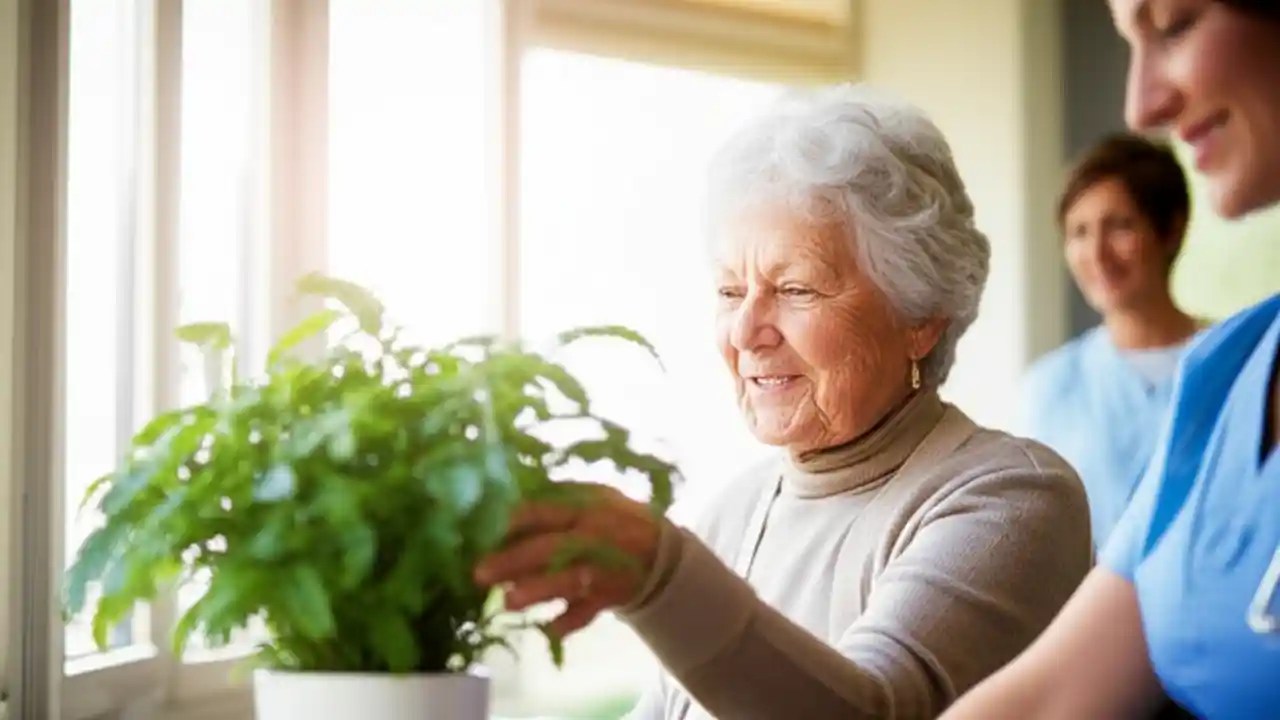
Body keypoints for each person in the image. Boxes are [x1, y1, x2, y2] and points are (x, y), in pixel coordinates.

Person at [474, 85, 1092, 719]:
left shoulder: (1012, 498)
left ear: (921, 317)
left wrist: (659, 575)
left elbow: (879, 710)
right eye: (730, 290)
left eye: (795, 289)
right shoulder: (731, 517)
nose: (746, 332)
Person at [942, 2, 1280, 719]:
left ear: (1168, 231)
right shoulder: (1229, 370)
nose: (1142, 103)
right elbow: (1051, 690)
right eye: (1079, 232)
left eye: (1178, 24)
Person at [1021, 134, 1201, 548]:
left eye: (1119, 226)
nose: (1097, 253)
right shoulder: (1048, 388)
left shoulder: (1238, 366)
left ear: (1171, 229)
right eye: (1079, 232)